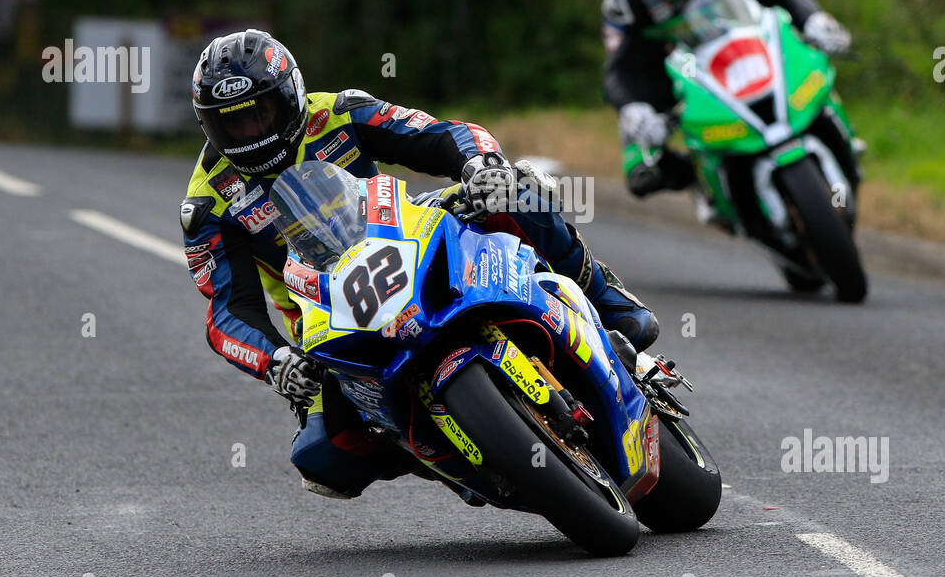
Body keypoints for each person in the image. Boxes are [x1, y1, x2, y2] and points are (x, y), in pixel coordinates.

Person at [181, 29, 659, 499]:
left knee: (516, 194)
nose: (250, 133)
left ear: (290, 96)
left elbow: (440, 135)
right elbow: (228, 312)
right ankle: (447, 450)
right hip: (325, 316)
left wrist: (481, 165)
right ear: (209, 126)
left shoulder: (339, 112)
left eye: (259, 115)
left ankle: (607, 301)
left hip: (406, 235)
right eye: (232, 125)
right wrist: (276, 361)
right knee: (323, 459)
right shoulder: (207, 204)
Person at [601, 0, 852, 199]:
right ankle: (705, 182)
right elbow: (617, 68)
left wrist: (814, 18)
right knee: (641, 174)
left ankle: (842, 136)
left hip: (736, 49)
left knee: (809, 61)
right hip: (668, 75)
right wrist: (633, 108)